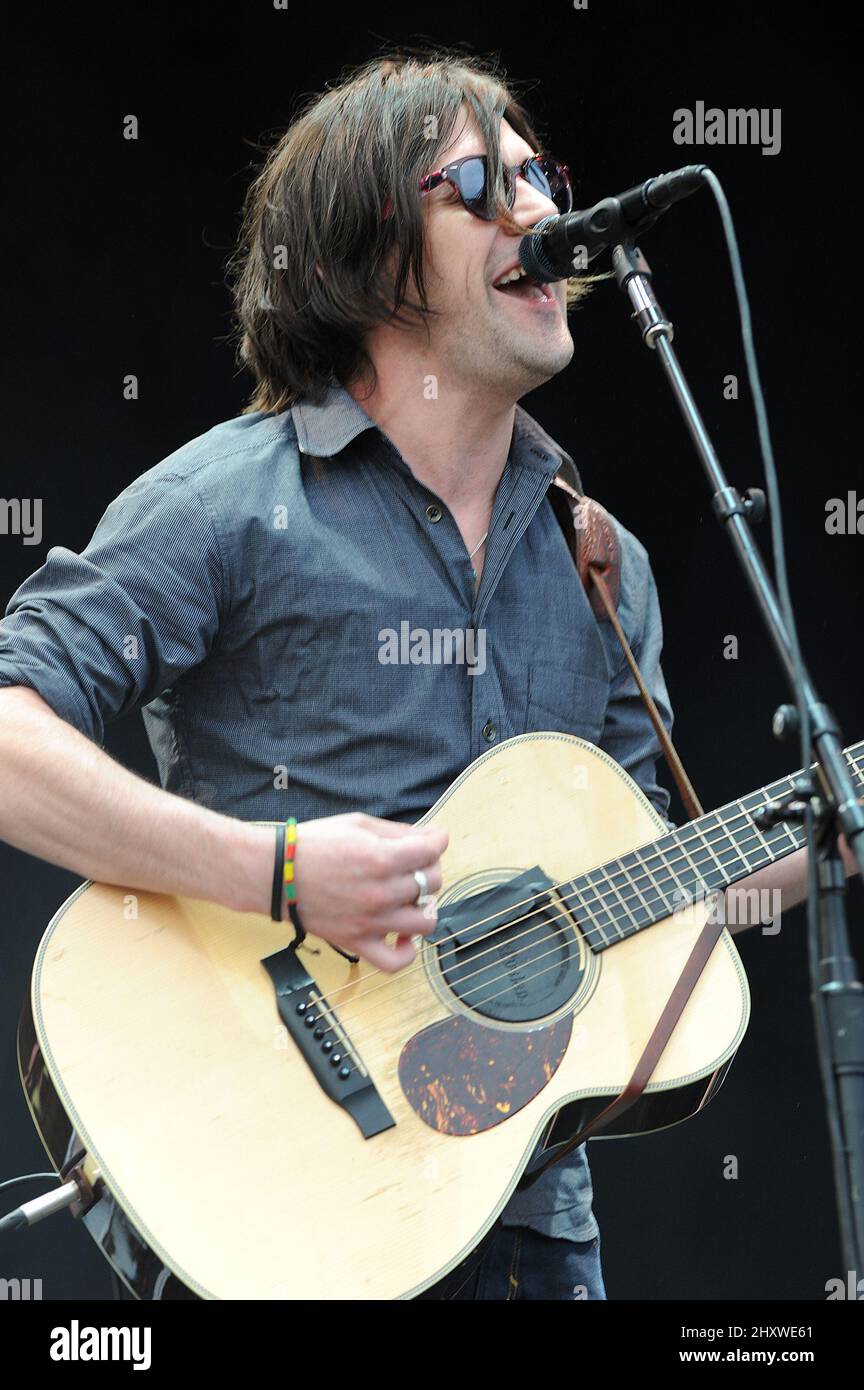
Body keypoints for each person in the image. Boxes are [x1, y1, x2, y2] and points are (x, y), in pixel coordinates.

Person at [0, 49, 841, 1301]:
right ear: (367, 252)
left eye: (540, 175)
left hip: (534, 1230)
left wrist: (833, 825)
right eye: (479, 182)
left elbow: (648, 878)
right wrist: (279, 873)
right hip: (291, 1206)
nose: (543, 212)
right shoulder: (229, 506)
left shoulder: (602, 561)